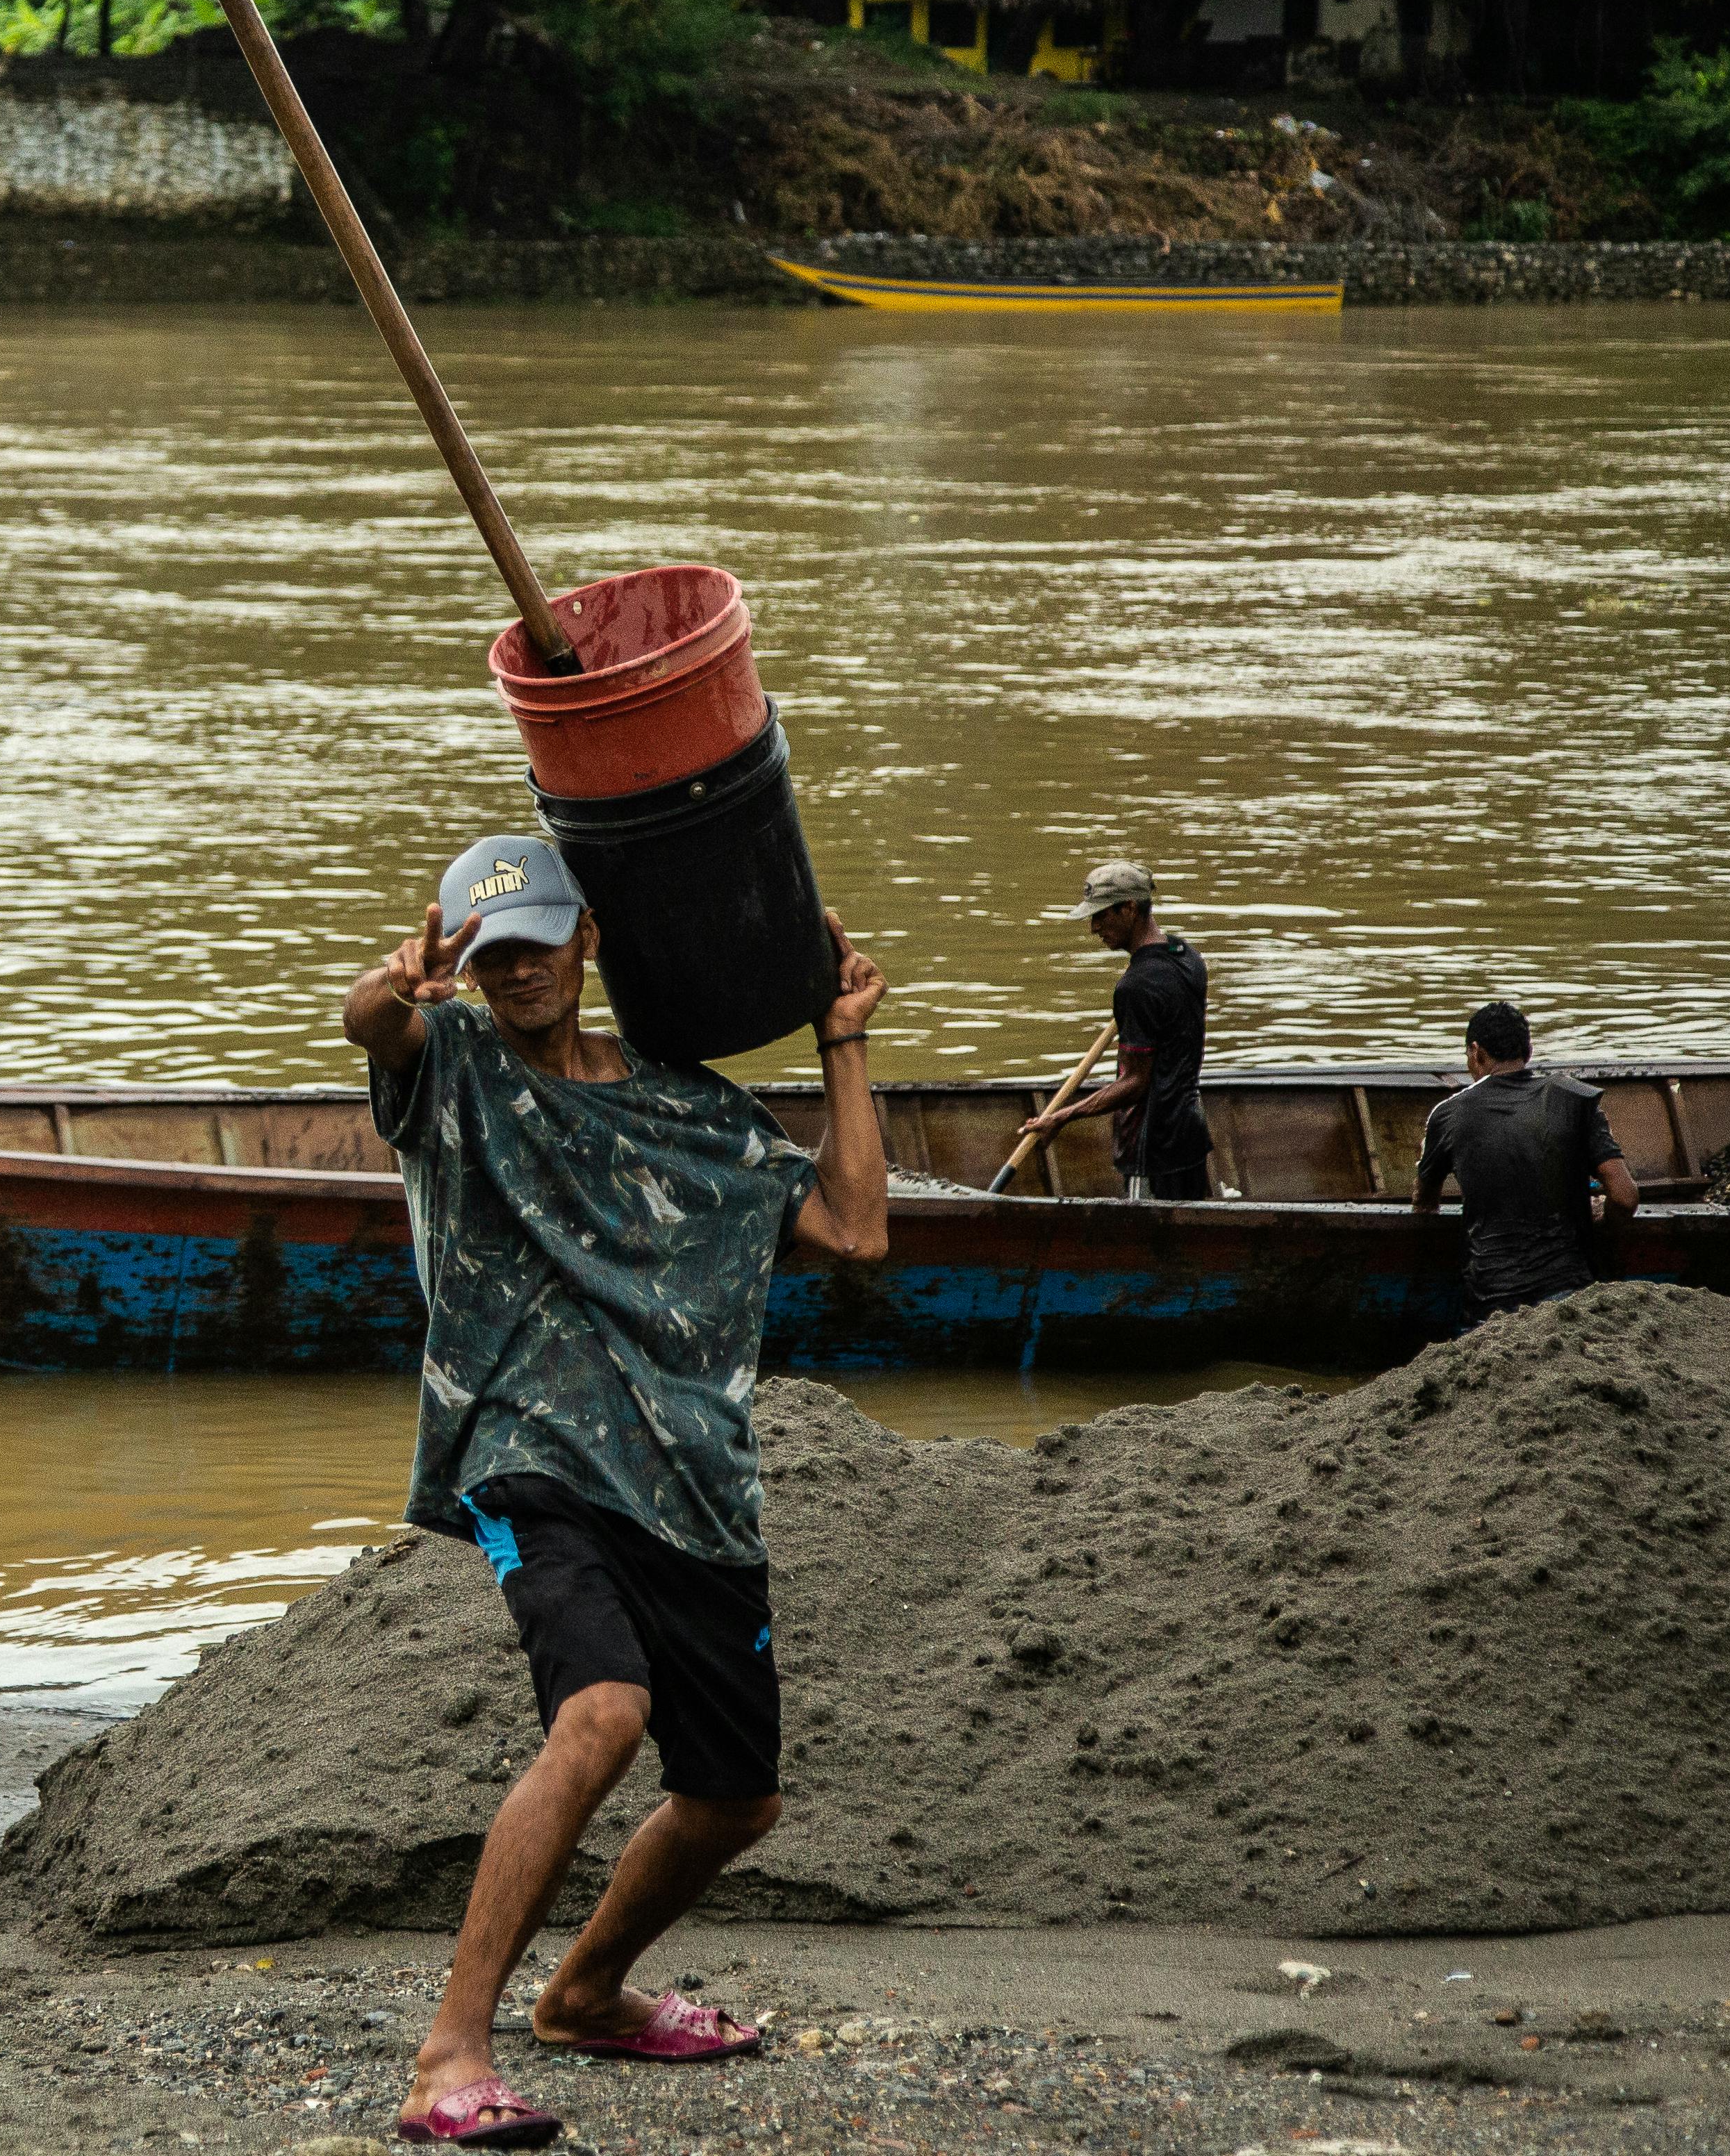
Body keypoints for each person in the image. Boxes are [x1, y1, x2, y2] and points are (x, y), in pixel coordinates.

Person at [343, 834, 889, 2150]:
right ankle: (445, 2057)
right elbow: (371, 1023)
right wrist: (393, 985)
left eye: (535, 943)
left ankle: (583, 1993)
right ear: (464, 971)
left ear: (585, 940)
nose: (517, 971)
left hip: (694, 1478)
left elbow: (857, 1233)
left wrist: (841, 1042)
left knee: (733, 1796)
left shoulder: (696, 1111)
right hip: (523, 1447)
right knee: (600, 1713)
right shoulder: (452, 1069)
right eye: (490, 958)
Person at [1412, 1000, 1637, 1318]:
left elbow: (1423, 1202)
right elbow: (1625, 1198)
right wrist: (1599, 1223)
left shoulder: (1447, 1114)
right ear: (1528, 1052)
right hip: (1571, 1295)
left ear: (1475, 1052)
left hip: (1491, 1302)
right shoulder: (1574, 1098)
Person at [1016, 859, 1210, 1199]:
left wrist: (1061, 1117)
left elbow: (1135, 1083)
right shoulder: (1187, 958)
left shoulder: (1136, 986)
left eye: (1102, 915)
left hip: (1153, 1147)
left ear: (1129, 909)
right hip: (1190, 1135)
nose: (1094, 927)